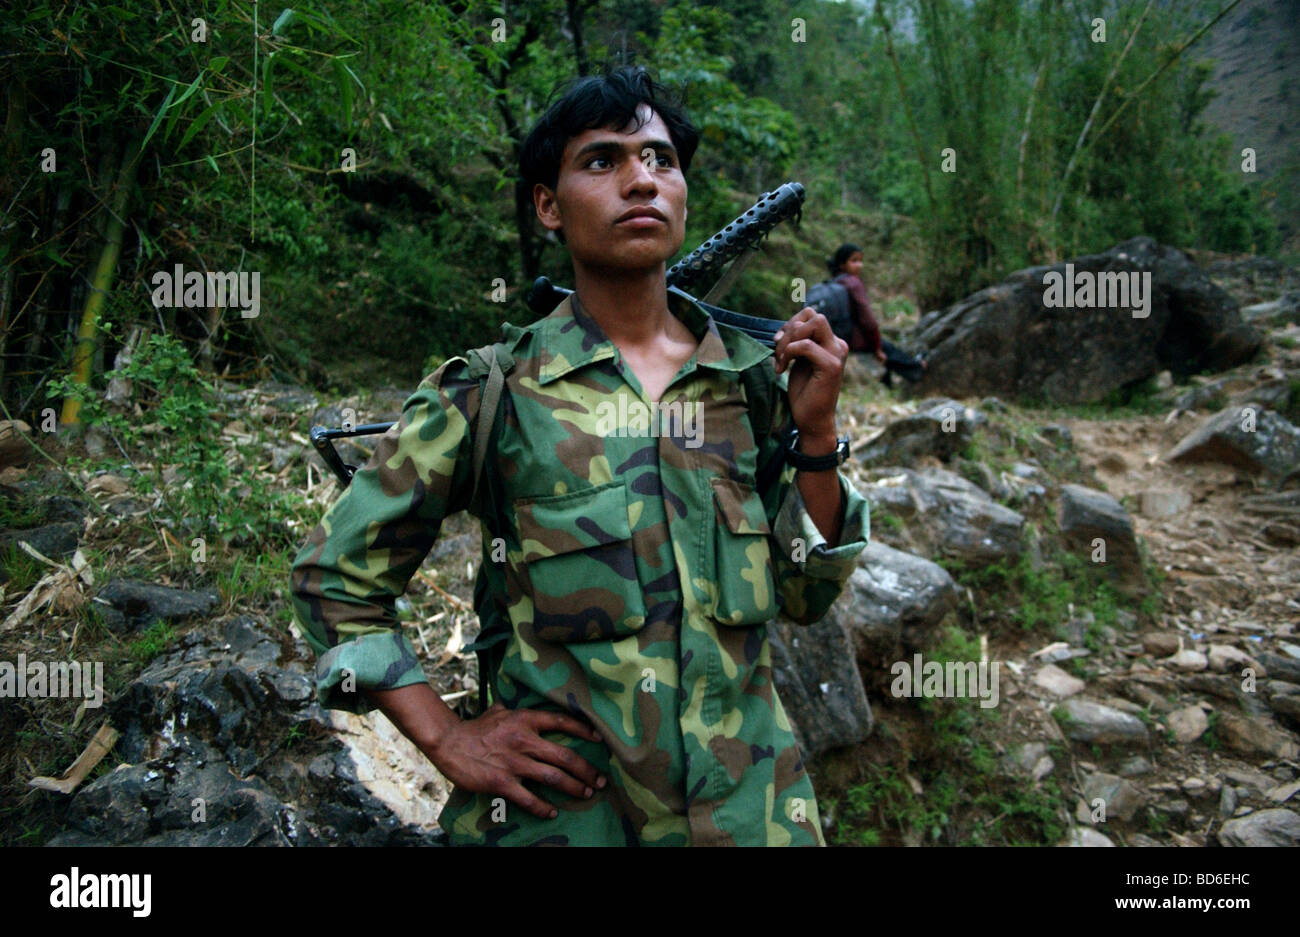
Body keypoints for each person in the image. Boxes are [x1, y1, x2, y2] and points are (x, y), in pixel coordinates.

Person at [288, 65, 870, 846]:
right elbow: (336, 579)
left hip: (754, 816)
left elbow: (805, 592)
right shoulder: (492, 391)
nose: (642, 179)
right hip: (569, 823)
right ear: (548, 206)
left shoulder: (746, 384)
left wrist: (819, 435)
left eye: (662, 160)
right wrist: (448, 738)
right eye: (604, 160)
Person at [828, 243, 927, 388]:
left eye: (861, 261)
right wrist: (877, 348)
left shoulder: (833, 283)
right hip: (853, 340)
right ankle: (917, 367)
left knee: (886, 349)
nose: (860, 265)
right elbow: (869, 321)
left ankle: (889, 384)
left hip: (836, 337)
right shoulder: (853, 283)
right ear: (842, 264)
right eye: (854, 261)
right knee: (888, 349)